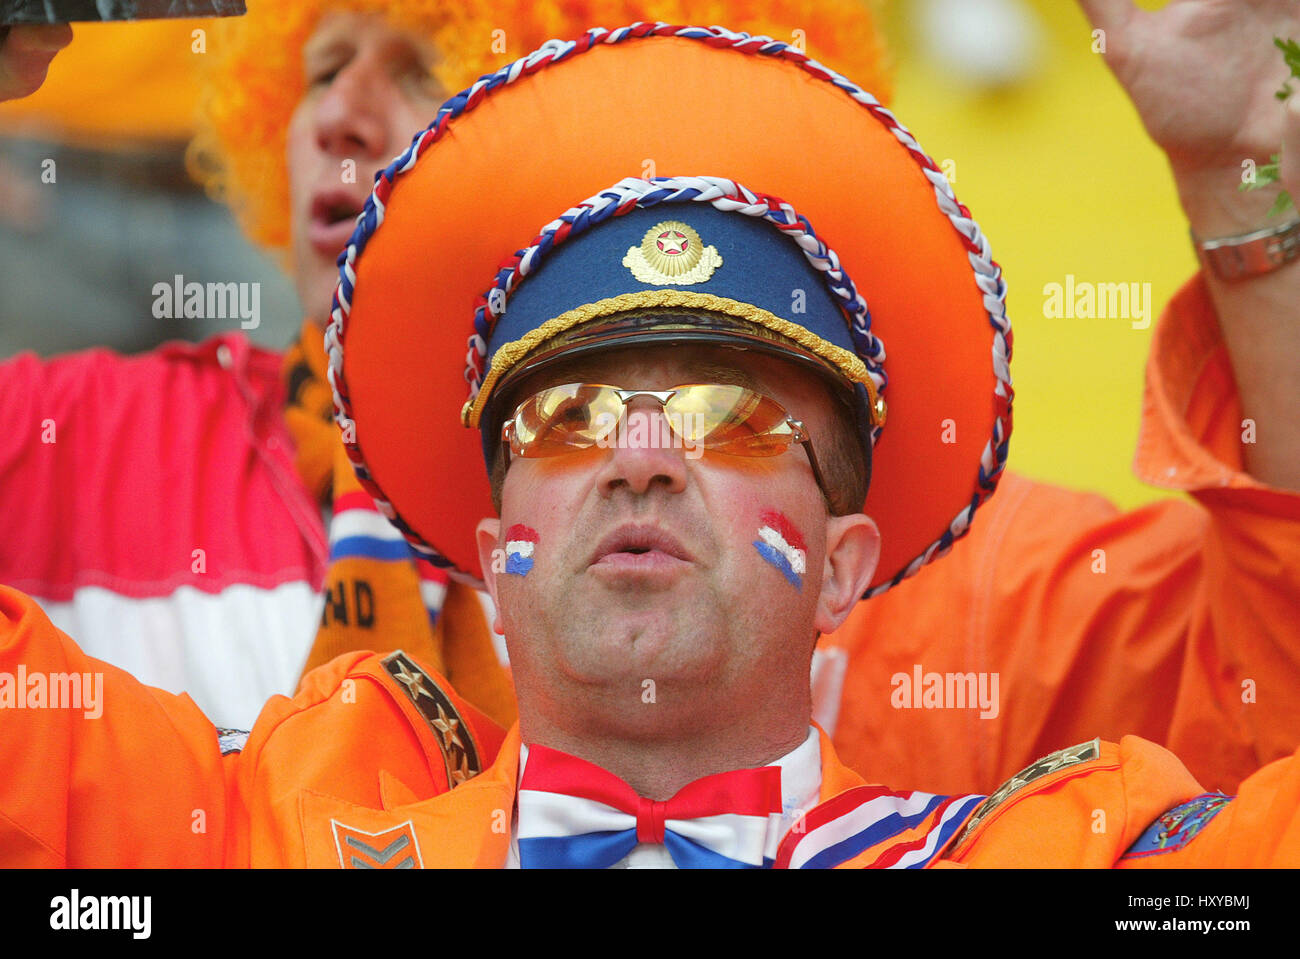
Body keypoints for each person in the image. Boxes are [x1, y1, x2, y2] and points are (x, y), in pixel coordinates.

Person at [1, 21, 1297, 870]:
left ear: (853, 563)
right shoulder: (285, 825)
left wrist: (1258, 168)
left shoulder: (1044, 842)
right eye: (562, 413)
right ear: (493, 544)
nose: (637, 453)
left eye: (729, 415)